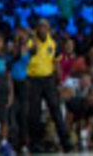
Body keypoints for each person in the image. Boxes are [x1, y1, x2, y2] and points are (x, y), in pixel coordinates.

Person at [25, 19, 70, 153]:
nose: (43, 29)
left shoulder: (53, 43)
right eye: (40, 27)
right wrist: (33, 38)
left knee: (56, 109)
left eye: (45, 27)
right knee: (35, 113)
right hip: (33, 79)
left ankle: (65, 141)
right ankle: (35, 143)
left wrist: (60, 81)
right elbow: (31, 52)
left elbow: (56, 63)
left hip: (49, 79)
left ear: (49, 29)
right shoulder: (31, 42)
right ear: (37, 29)